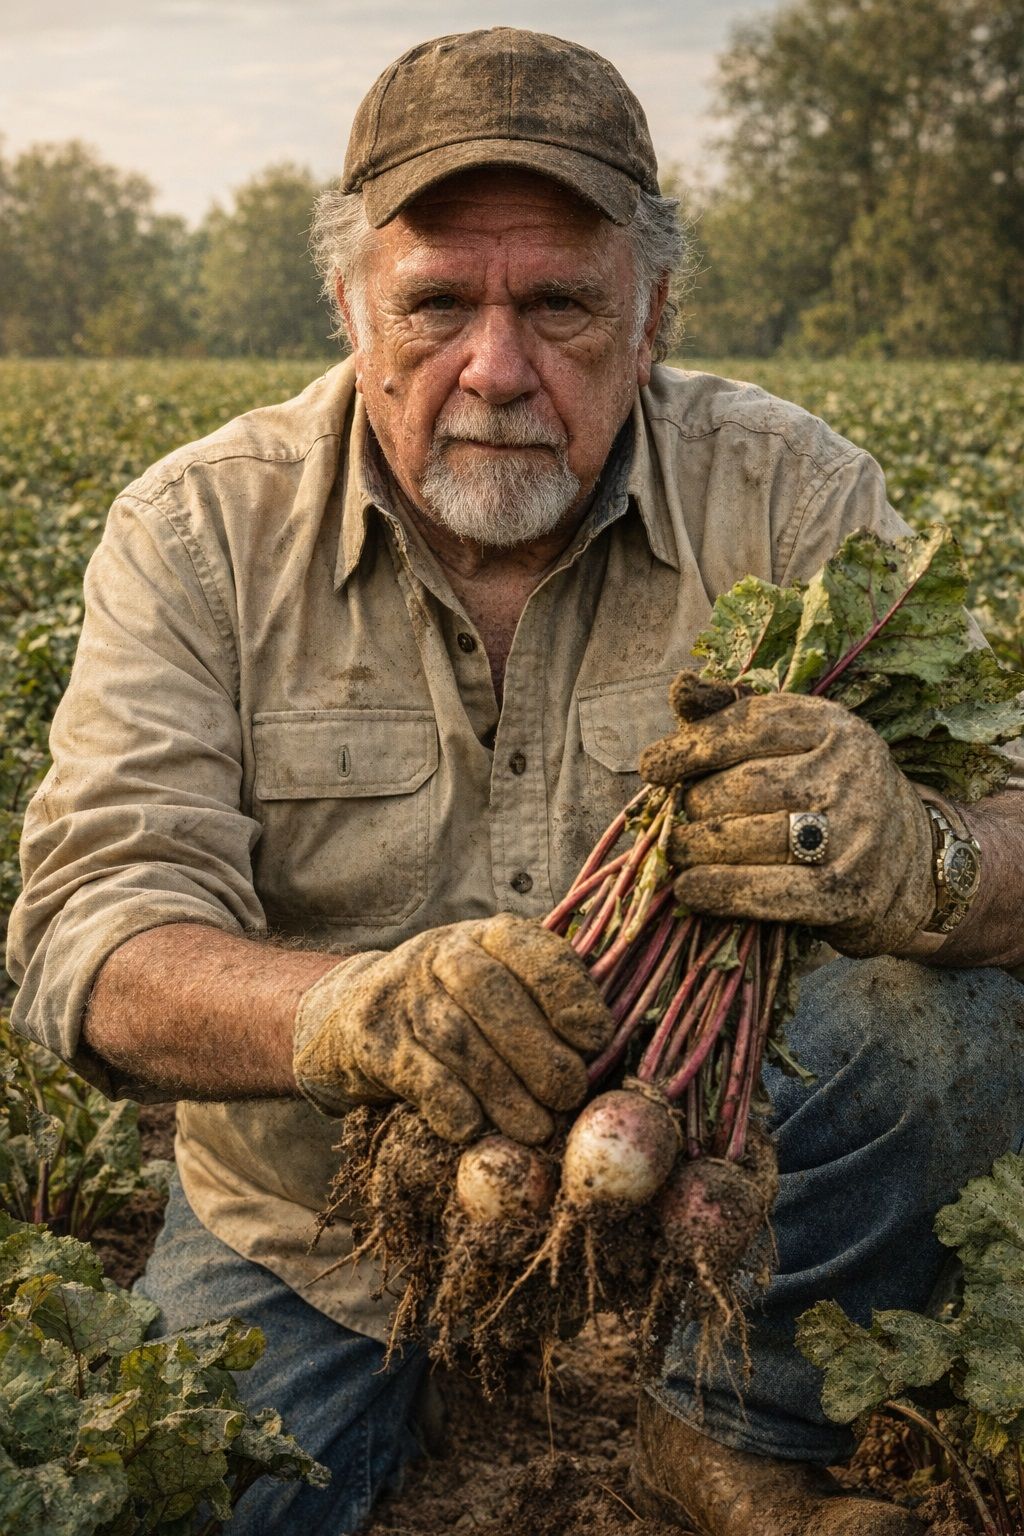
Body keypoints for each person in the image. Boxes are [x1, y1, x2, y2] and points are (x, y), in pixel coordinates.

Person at [6, 26, 1024, 1536]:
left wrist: (924, 859)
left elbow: (1012, 838)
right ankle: (385, 1339)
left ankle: (737, 1415)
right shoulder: (197, 532)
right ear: (352, 308)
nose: (496, 367)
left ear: (654, 312)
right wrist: (342, 1013)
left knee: (955, 1004)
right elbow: (90, 941)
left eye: (560, 305)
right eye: (435, 306)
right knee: (200, 1498)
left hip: (705, 1174)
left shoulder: (792, 496)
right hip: (320, 1222)